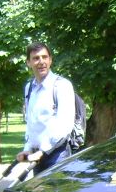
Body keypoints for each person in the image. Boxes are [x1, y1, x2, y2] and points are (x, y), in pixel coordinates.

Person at [17, 42, 75, 174]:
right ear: (28, 63)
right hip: (37, 157)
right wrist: (27, 148)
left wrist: (43, 151)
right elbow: (31, 122)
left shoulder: (62, 86)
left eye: (44, 57)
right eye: (36, 58)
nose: (41, 61)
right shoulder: (29, 88)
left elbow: (65, 126)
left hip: (58, 156)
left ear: (50, 60)